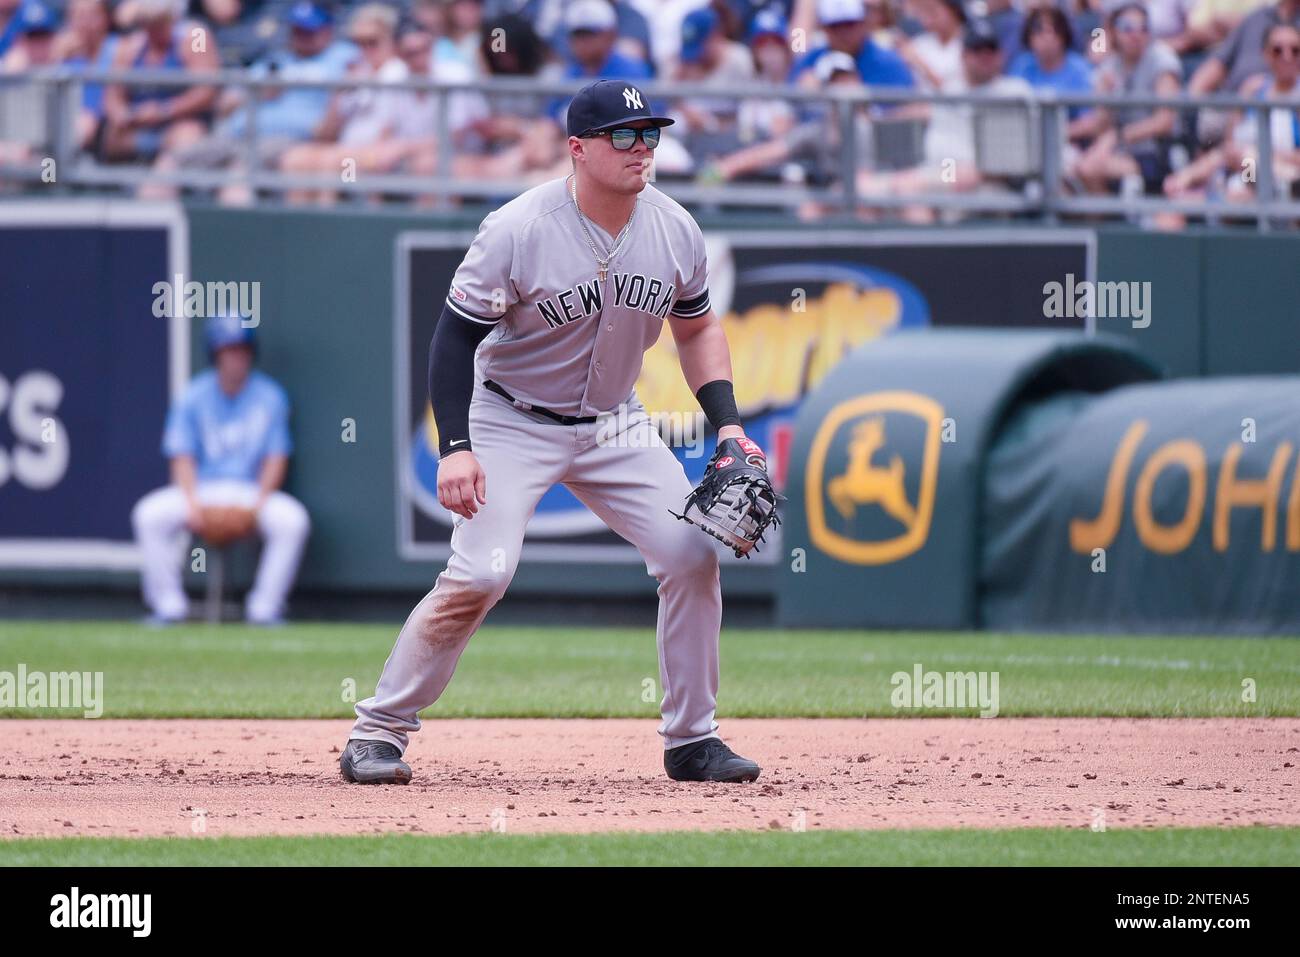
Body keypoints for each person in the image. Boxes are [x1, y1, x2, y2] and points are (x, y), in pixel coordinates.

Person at [341, 79, 767, 786]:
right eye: (623, 137)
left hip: (614, 423)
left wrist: (728, 426)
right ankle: (377, 731)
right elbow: (453, 341)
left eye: (650, 134)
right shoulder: (517, 227)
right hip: (509, 417)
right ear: (577, 148)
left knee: (692, 555)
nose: (641, 149)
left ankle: (692, 739)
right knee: (481, 572)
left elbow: (696, 330)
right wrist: (455, 445)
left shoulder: (673, 227)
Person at [132, 316, 310, 626]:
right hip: (201, 489)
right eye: (228, 350)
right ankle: (169, 606)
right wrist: (192, 504)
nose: (235, 357)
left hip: (250, 492)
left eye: (241, 350)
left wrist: (257, 507)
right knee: (149, 514)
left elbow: (276, 459)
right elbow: (181, 457)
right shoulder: (193, 395)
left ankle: (264, 608)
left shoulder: (270, 396)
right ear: (215, 354)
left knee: (293, 521)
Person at [167, 2, 355, 204]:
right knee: (169, 163)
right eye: (297, 30)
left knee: (238, 173)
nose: (302, 36)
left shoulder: (343, 57)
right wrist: (257, 94)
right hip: (237, 135)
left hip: (287, 140)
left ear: (327, 30)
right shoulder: (276, 59)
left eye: (309, 30)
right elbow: (225, 104)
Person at [278, 3, 409, 205]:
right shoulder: (355, 72)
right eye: (358, 42)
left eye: (372, 42)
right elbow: (327, 133)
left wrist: (359, 153)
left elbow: (389, 133)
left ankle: (327, 229)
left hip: (378, 157)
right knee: (295, 159)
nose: (365, 49)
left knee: (333, 163)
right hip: (346, 149)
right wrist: (339, 92)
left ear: (391, 41)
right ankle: (298, 229)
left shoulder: (397, 73)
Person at [1069, 3, 1184, 197]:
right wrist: (1105, 96)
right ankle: (1108, 221)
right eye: (1127, 27)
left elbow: (1165, 122)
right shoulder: (1110, 67)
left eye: (1143, 28)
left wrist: (1117, 137)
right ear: (1113, 32)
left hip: (1156, 153)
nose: (1136, 34)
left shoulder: (1163, 60)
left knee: (1089, 168)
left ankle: (1110, 221)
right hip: (1121, 151)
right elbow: (1101, 125)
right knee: (1076, 167)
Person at [101, 0, 220, 178]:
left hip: (182, 120)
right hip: (139, 122)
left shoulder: (196, 35)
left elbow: (206, 91)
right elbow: (113, 94)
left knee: (187, 138)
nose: (153, 27)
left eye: (159, 20)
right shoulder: (130, 46)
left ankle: (164, 186)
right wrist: (122, 114)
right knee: (112, 138)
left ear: (172, 17)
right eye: (147, 21)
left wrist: (165, 111)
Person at [791, 0, 915, 88]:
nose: (843, 33)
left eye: (849, 24)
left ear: (863, 23)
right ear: (824, 29)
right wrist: (805, 94)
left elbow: (916, 110)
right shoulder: (811, 59)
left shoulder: (888, 61)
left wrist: (868, 112)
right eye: (835, 26)